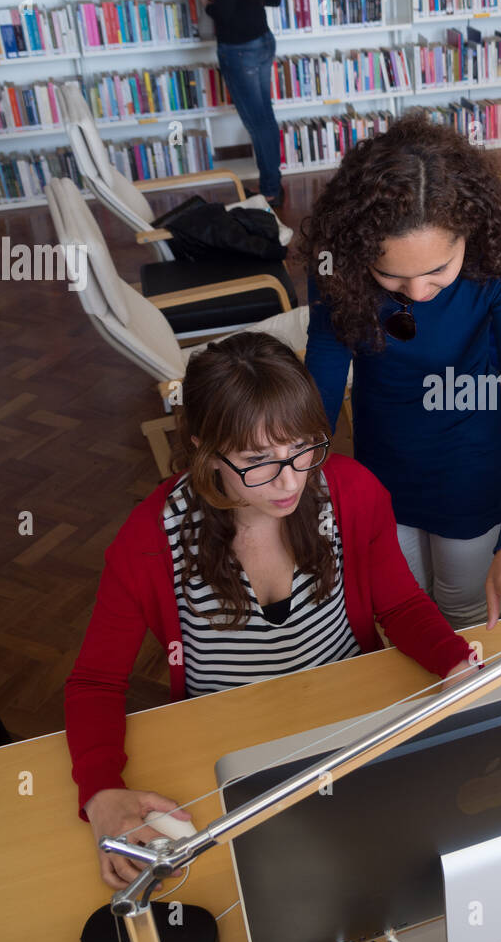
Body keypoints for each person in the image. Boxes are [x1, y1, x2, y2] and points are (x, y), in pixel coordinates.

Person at [66, 332, 474, 889]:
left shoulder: (352, 493)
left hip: (348, 724)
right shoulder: (149, 539)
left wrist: (453, 659)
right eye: (257, 461)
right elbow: (94, 682)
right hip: (232, 750)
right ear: (206, 451)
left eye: (302, 448)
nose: (289, 480)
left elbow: (400, 605)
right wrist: (101, 791)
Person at [300, 115, 501, 636]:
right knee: (402, 615)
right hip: (382, 467)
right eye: (392, 275)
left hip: (471, 471)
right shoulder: (336, 266)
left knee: (464, 617)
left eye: (439, 269)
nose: (417, 292)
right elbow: (320, 386)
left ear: (469, 233)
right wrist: (296, 477)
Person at [195, 0, 284, 209]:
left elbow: (226, 13)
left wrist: (206, 1)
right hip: (263, 41)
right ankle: (273, 183)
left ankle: (271, 189)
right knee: (265, 117)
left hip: (240, 47)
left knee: (257, 121)